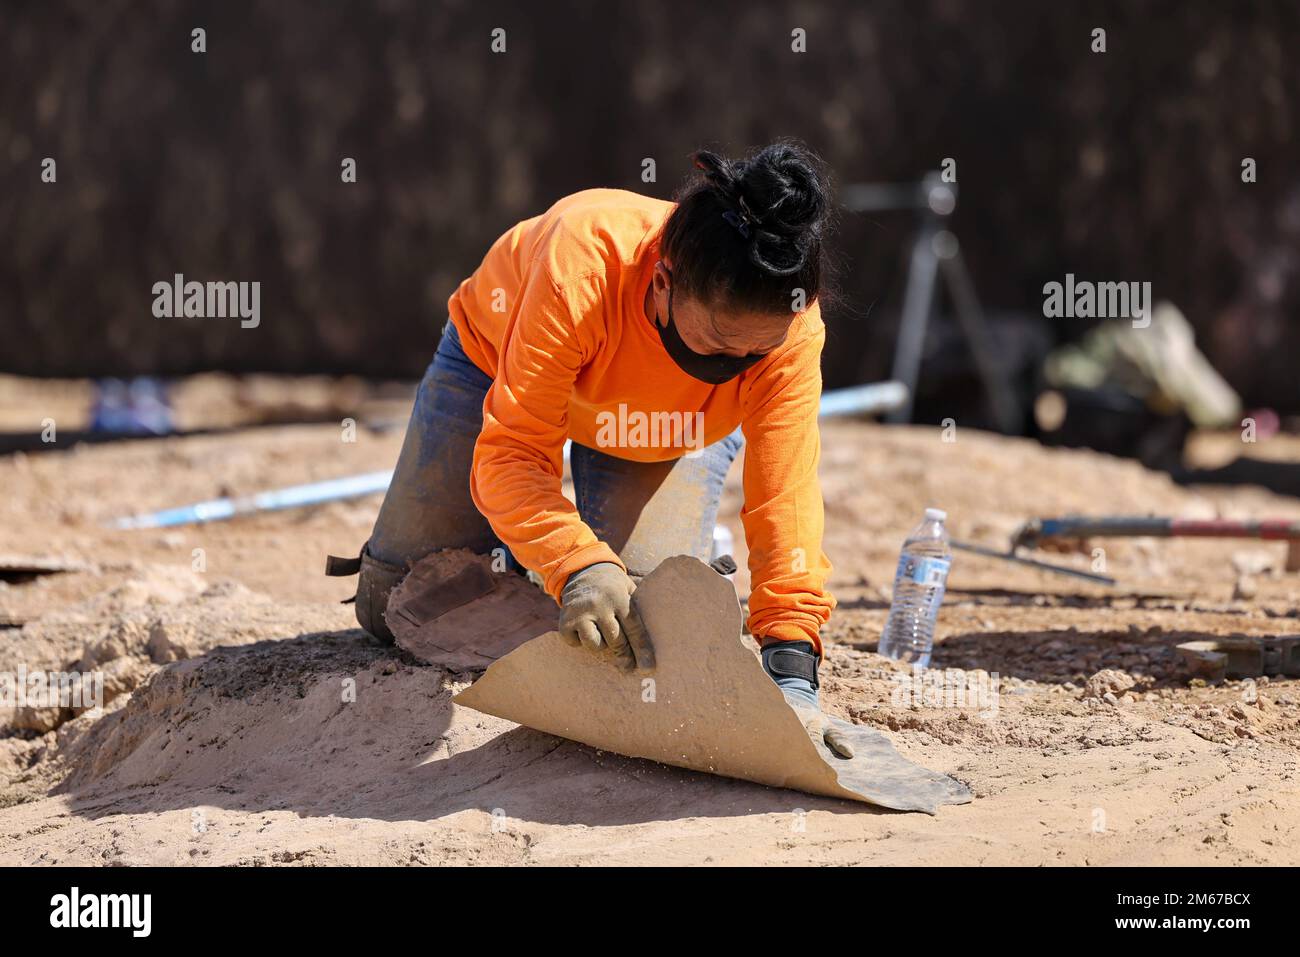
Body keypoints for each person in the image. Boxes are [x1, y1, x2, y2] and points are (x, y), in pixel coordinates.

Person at [337, 140, 850, 756]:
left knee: (641, 631)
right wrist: (577, 564)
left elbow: (785, 496)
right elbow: (514, 454)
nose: (735, 365)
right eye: (718, 343)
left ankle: (532, 559)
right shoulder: (578, 264)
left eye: (753, 355)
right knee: (399, 601)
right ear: (663, 281)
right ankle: (521, 554)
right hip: (492, 364)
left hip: (663, 430)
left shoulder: (791, 327)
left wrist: (791, 661)